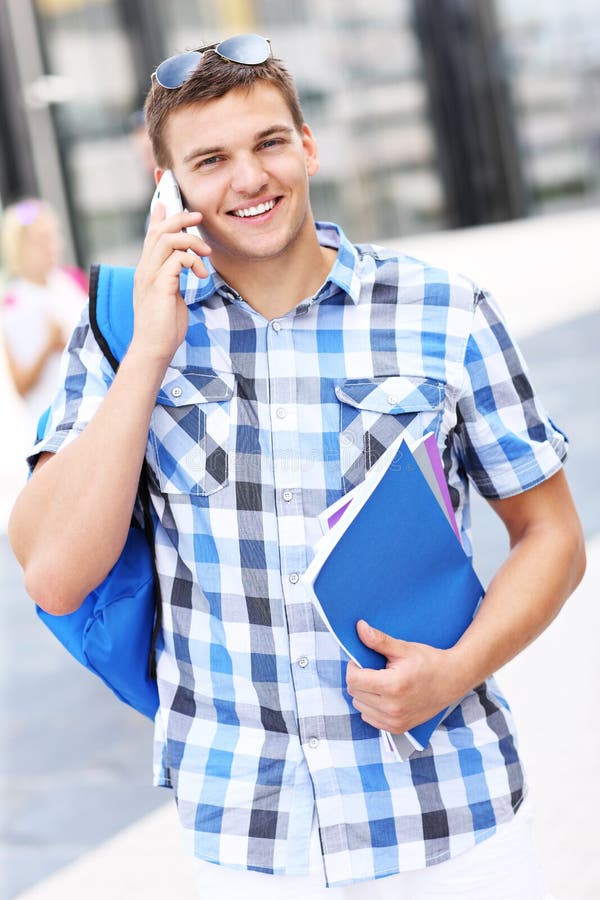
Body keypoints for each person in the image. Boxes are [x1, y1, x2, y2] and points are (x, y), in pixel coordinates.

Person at [8, 35, 585, 898]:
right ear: (167, 188)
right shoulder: (122, 334)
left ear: (307, 145)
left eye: (268, 143)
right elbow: (54, 574)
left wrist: (456, 671)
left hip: (452, 829)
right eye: (210, 159)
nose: (249, 179)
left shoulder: (445, 312)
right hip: (247, 845)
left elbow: (554, 536)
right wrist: (151, 354)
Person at [0, 198, 87, 425]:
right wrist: (49, 345)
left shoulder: (71, 279)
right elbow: (20, 385)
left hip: (90, 404)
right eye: (42, 240)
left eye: (53, 236)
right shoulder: (13, 302)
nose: (53, 246)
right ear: (22, 248)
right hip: (50, 421)